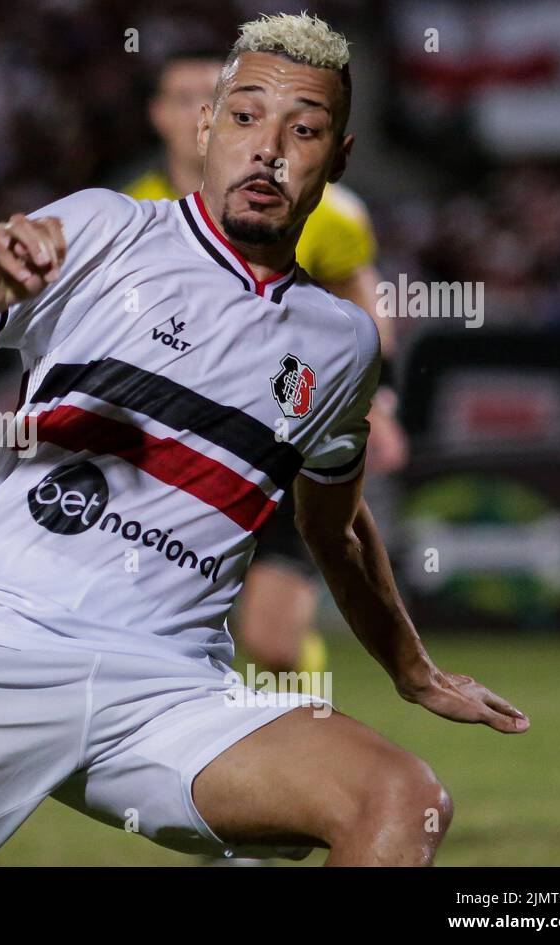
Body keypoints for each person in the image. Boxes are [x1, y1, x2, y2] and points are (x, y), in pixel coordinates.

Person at [0, 13, 527, 868]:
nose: (270, 149)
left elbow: (338, 526)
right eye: (246, 117)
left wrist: (413, 671)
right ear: (206, 128)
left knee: (403, 801)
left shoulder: (343, 342)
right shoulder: (101, 231)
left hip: (171, 690)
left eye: (304, 129)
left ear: (340, 158)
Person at [123, 45, 409, 678]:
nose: (204, 108)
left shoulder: (327, 214)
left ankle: (304, 717)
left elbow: (368, 323)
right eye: (185, 97)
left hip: (283, 432)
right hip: (173, 451)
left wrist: (378, 403)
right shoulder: (134, 214)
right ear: (173, 119)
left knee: (274, 647)